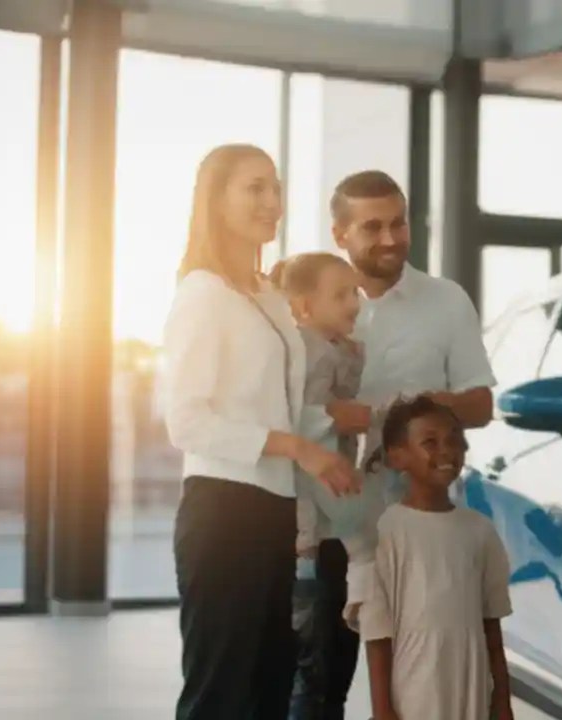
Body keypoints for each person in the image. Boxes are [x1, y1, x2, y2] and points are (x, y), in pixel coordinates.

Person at [163, 144, 359, 720]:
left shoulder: (268, 296)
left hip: (274, 511)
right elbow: (187, 420)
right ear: (215, 199)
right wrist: (299, 447)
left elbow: (287, 400)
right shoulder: (203, 293)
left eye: (275, 187)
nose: (271, 201)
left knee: (270, 689)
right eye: (254, 188)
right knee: (220, 696)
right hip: (222, 512)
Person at [303, 169, 497, 715]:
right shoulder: (308, 299)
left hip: (416, 530)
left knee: (421, 688)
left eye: (399, 223)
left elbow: (481, 405)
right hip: (328, 526)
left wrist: (421, 405)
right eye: (372, 227)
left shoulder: (446, 301)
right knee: (320, 686)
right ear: (340, 234)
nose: (390, 238)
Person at [270, 252, 385, 720]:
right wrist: (359, 414)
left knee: (327, 669)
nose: (354, 302)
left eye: (354, 291)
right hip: (311, 539)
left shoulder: (330, 347)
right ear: (302, 307)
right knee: (318, 673)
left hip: (324, 536)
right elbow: (306, 418)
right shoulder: (307, 350)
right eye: (340, 295)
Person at [359, 396, 514, 720]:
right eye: (430, 441)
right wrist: (382, 711)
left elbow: (492, 630)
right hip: (413, 696)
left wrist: (502, 705)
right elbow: (377, 635)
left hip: (468, 694)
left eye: (454, 440)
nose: (447, 450)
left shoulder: (480, 532)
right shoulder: (385, 532)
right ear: (397, 456)